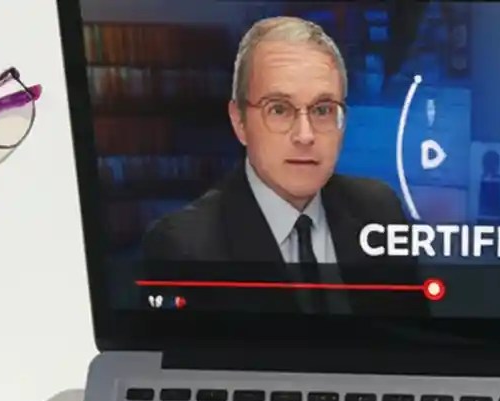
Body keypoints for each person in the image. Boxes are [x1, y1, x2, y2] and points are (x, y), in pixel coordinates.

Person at [141, 17, 421, 315]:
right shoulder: (183, 246)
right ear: (239, 121)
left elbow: (416, 347)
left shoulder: (380, 209)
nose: (305, 135)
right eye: (279, 109)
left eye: (323, 110)